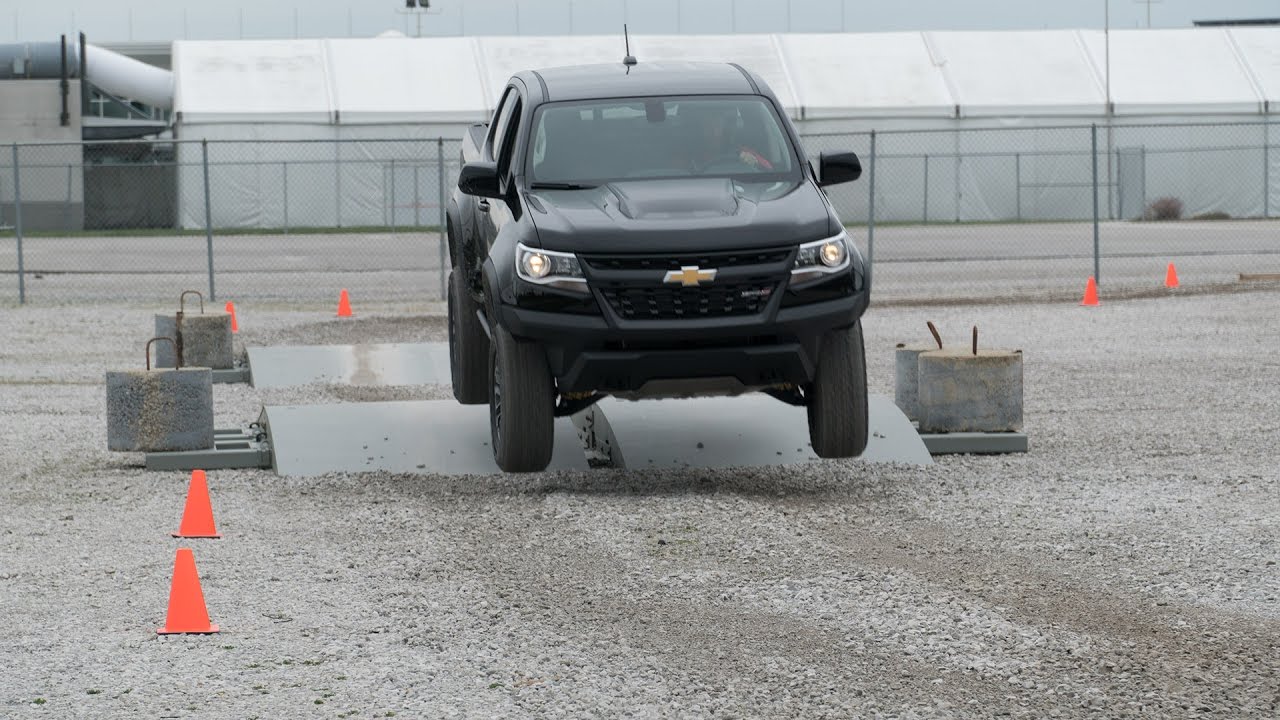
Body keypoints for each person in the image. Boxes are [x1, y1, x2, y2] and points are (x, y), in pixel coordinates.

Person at [684, 105, 773, 172]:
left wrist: (754, 163)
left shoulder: (741, 152)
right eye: (708, 126)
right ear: (699, 129)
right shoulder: (686, 155)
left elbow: (769, 171)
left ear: (724, 128)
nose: (714, 132)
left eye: (717, 126)